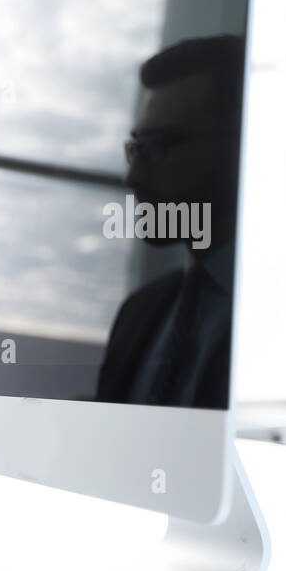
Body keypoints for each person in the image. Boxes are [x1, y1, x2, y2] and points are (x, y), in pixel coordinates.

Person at [97, 35, 243, 409]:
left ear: (240, 149)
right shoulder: (137, 314)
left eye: (160, 146)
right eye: (136, 150)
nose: (132, 178)